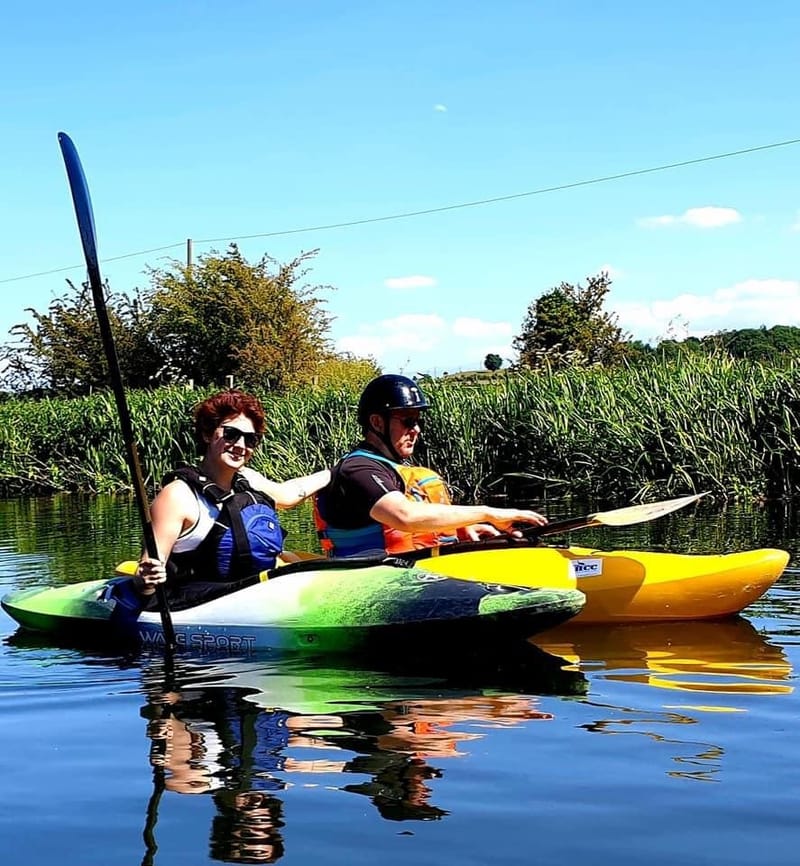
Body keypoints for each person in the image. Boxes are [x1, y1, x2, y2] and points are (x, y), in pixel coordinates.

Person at [132, 389, 330, 610]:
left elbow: (290, 494)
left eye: (251, 439)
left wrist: (337, 470)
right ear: (207, 434)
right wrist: (146, 578)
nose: (240, 445)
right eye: (231, 434)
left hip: (253, 599)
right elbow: (146, 576)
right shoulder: (178, 496)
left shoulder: (248, 479)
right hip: (197, 606)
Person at [313, 374, 548, 557]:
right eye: (408, 421)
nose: (416, 429)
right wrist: (488, 512)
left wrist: (462, 528)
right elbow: (404, 516)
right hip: (372, 577)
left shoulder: (390, 469)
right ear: (377, 422)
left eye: (417, 421)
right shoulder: (359, 469)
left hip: (411, 570)